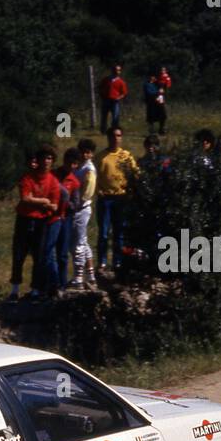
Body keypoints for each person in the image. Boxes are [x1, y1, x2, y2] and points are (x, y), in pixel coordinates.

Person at [10, 146, 61, 300]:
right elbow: (24, 198)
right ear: (37, 161)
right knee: (19, 254)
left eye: (49, 158)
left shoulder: (53, 181)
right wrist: (44, 201)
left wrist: (35, 201)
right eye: (43, 158)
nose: (46, 161)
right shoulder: (28, 177)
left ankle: (35, 289)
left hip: (42, 221)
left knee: (39, 256)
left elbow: (54, 206)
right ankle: (14, 289)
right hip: (24, 219)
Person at [96, 128, 137, 276]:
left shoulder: (126, 156)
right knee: (104, 232)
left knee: (119, 232)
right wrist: (98, 191)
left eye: (119, 136)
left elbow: (135, 174)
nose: (116, 138)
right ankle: (102, 261)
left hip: (121, 198)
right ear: (108, 137)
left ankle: (118, 261)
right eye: (113, 136)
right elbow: (94, 177)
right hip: (105, 198)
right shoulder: (101, 157)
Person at [47, 149, 82, 296]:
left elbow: (76, 203)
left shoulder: (74, 182)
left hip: (65, 218)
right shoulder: (53, 175)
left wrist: (66, 203)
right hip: (50, 217)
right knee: (48, 251)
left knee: (62, 253)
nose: (71, 166)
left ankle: (62, 284)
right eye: (69, 162)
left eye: (74, 164)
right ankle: (50, 283)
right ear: (64, 160)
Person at [70, 138, 98, 288]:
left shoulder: (89, 170)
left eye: (88, 152)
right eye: (83, 152)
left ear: (91, 154)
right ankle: (91, 275)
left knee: (77, 243)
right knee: (83, 240)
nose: (85, 155)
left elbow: (87, 192)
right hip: (77, 208)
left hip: (81, 208)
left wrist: (77, 204)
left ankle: (78, 277)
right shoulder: (78, 167)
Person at [99, 63, 128, 133]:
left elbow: (124, 93)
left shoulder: (121, 82)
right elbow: (100, 88)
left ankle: (114, 130)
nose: (116, 71)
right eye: (115, 70)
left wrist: (119, 98)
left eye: (118, 70)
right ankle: (103, 130)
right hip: (106, 100)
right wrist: (102, 95)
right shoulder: (106, 79)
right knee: (104, 116)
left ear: (120, 72)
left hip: (115, 101)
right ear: (112, 70)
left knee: (115, 117)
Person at [144, 70, 167, 136]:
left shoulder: (157, 84)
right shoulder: (147, 84)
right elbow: (149, 93)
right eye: (152, 76)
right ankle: (152, 131)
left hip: (159, 103)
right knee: (151, 118)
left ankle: (161, 129)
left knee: (163, 116)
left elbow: (163, 88)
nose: (153, 78)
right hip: (151, 103)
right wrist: (157, 92)